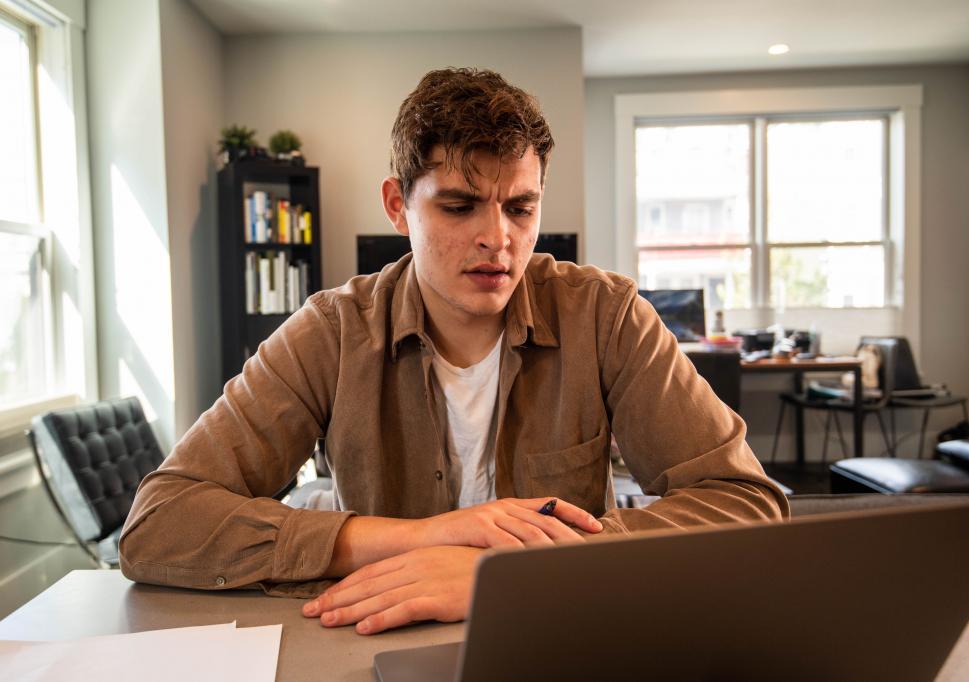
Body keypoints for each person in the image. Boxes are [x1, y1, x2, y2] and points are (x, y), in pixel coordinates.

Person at [120, 67, 788, 636]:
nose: (497, 239)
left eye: (520, 208)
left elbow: (746, 502)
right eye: (460, 206)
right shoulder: (331, 332)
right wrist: (421, 540)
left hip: (561, 630)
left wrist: (516, 572)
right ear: (397, 205)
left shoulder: (606, 316)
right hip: (376, 639)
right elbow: (159, 523)